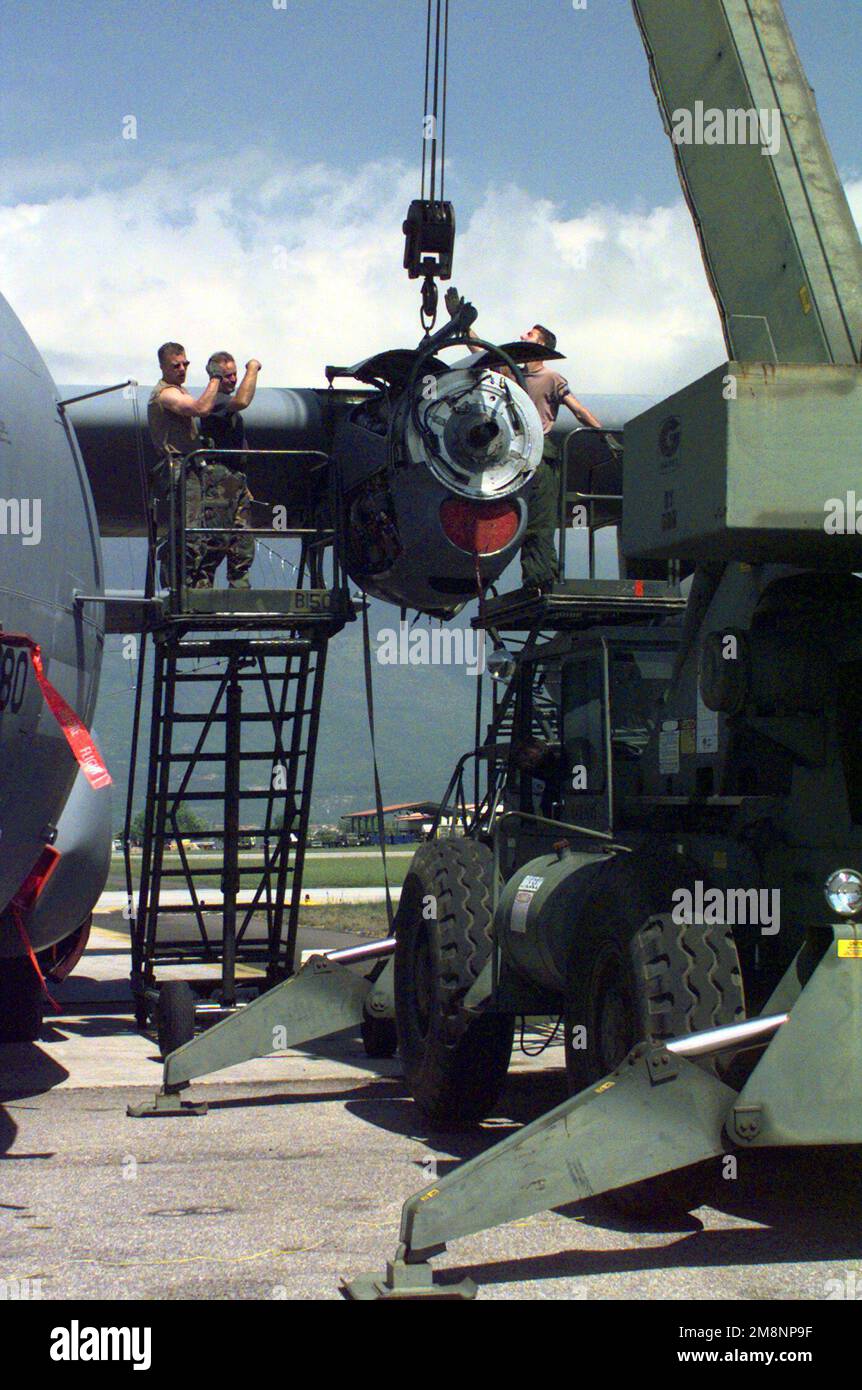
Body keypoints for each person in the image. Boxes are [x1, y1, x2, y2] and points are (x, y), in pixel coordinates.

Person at [445, 292, 603, 592]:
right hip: (511, 458)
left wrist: (603, 435)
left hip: (541, 455)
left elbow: (578, 410)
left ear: (540, 345)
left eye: (529, 334)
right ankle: (480, 577)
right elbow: (480, 348)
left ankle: (540, 580)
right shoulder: (509, 371)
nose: (522, 335)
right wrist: (460, 321)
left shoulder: (551, 378)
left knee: (540, 523)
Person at [147, 342, 221, 589]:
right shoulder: (167, 394)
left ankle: (191, 581)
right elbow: (200, 408)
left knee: (197, 526)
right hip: (178, 467)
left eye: (185, 364)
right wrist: (215, 379)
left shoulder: (179, 390)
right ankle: (182, 583)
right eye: (175, 365)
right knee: (189, 528)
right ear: (163, 367)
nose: (181, 369)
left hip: (190, 467)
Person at [197, 352, 262, 590]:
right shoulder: (216, 400)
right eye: (227, 375)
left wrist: (244, 484)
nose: (233, 379)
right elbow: (243, 401)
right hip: (219, 477)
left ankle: (240, 587)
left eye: (235, 374)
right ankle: (201, 587)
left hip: (235, 477)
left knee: (243, 538)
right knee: (218, 536)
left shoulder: (226, 405)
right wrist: (252, 369)